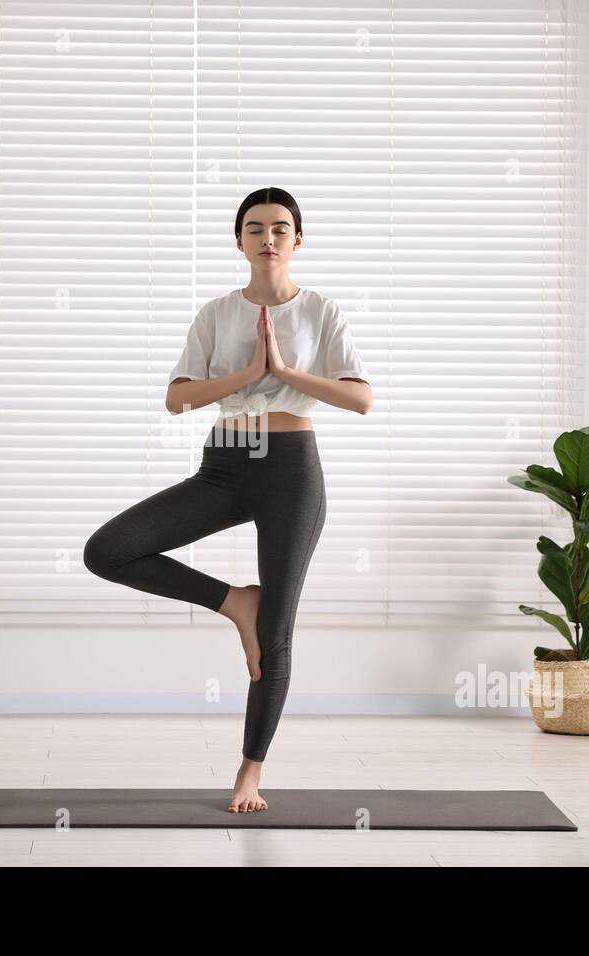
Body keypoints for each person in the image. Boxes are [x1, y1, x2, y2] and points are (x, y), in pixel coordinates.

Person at [83, 186, 373, 812]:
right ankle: (231, 600)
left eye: (280, 228)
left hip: (291, 472)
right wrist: (246, 375)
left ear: (298, 239)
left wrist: (284, 372)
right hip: (224, 467)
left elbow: (360, 398)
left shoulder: (321, 310)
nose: (267, 238)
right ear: (238, 240)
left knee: (278, 631)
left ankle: (249, 773)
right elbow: (177, 399)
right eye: (254, 228)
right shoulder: (216, 313)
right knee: (107, 551)